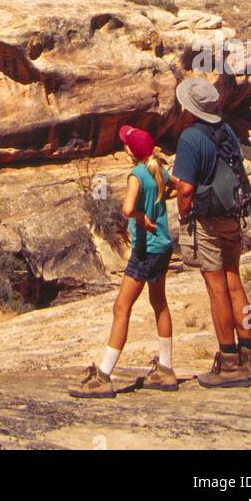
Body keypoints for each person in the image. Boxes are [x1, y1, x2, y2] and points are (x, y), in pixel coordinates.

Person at [70, 125, 178, 399]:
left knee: (121, 308)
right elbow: (177, 187)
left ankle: (104, 377)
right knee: (159, 303)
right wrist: (159, 201)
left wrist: (140, 215)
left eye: (126, 145)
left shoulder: (137, 174)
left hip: (145, 250)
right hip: (164, 246)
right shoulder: (159, 170)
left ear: (130, 151)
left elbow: (128, 209)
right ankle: (166, 369)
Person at [171, 76, 251, 388]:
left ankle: (229, 361)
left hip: (208, 221)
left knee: (217, 288)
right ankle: (249, 357)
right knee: (235, 283)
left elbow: (185, 189)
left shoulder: (190, 138)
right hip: (232, 215)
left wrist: (184, 217)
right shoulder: (227, 130)